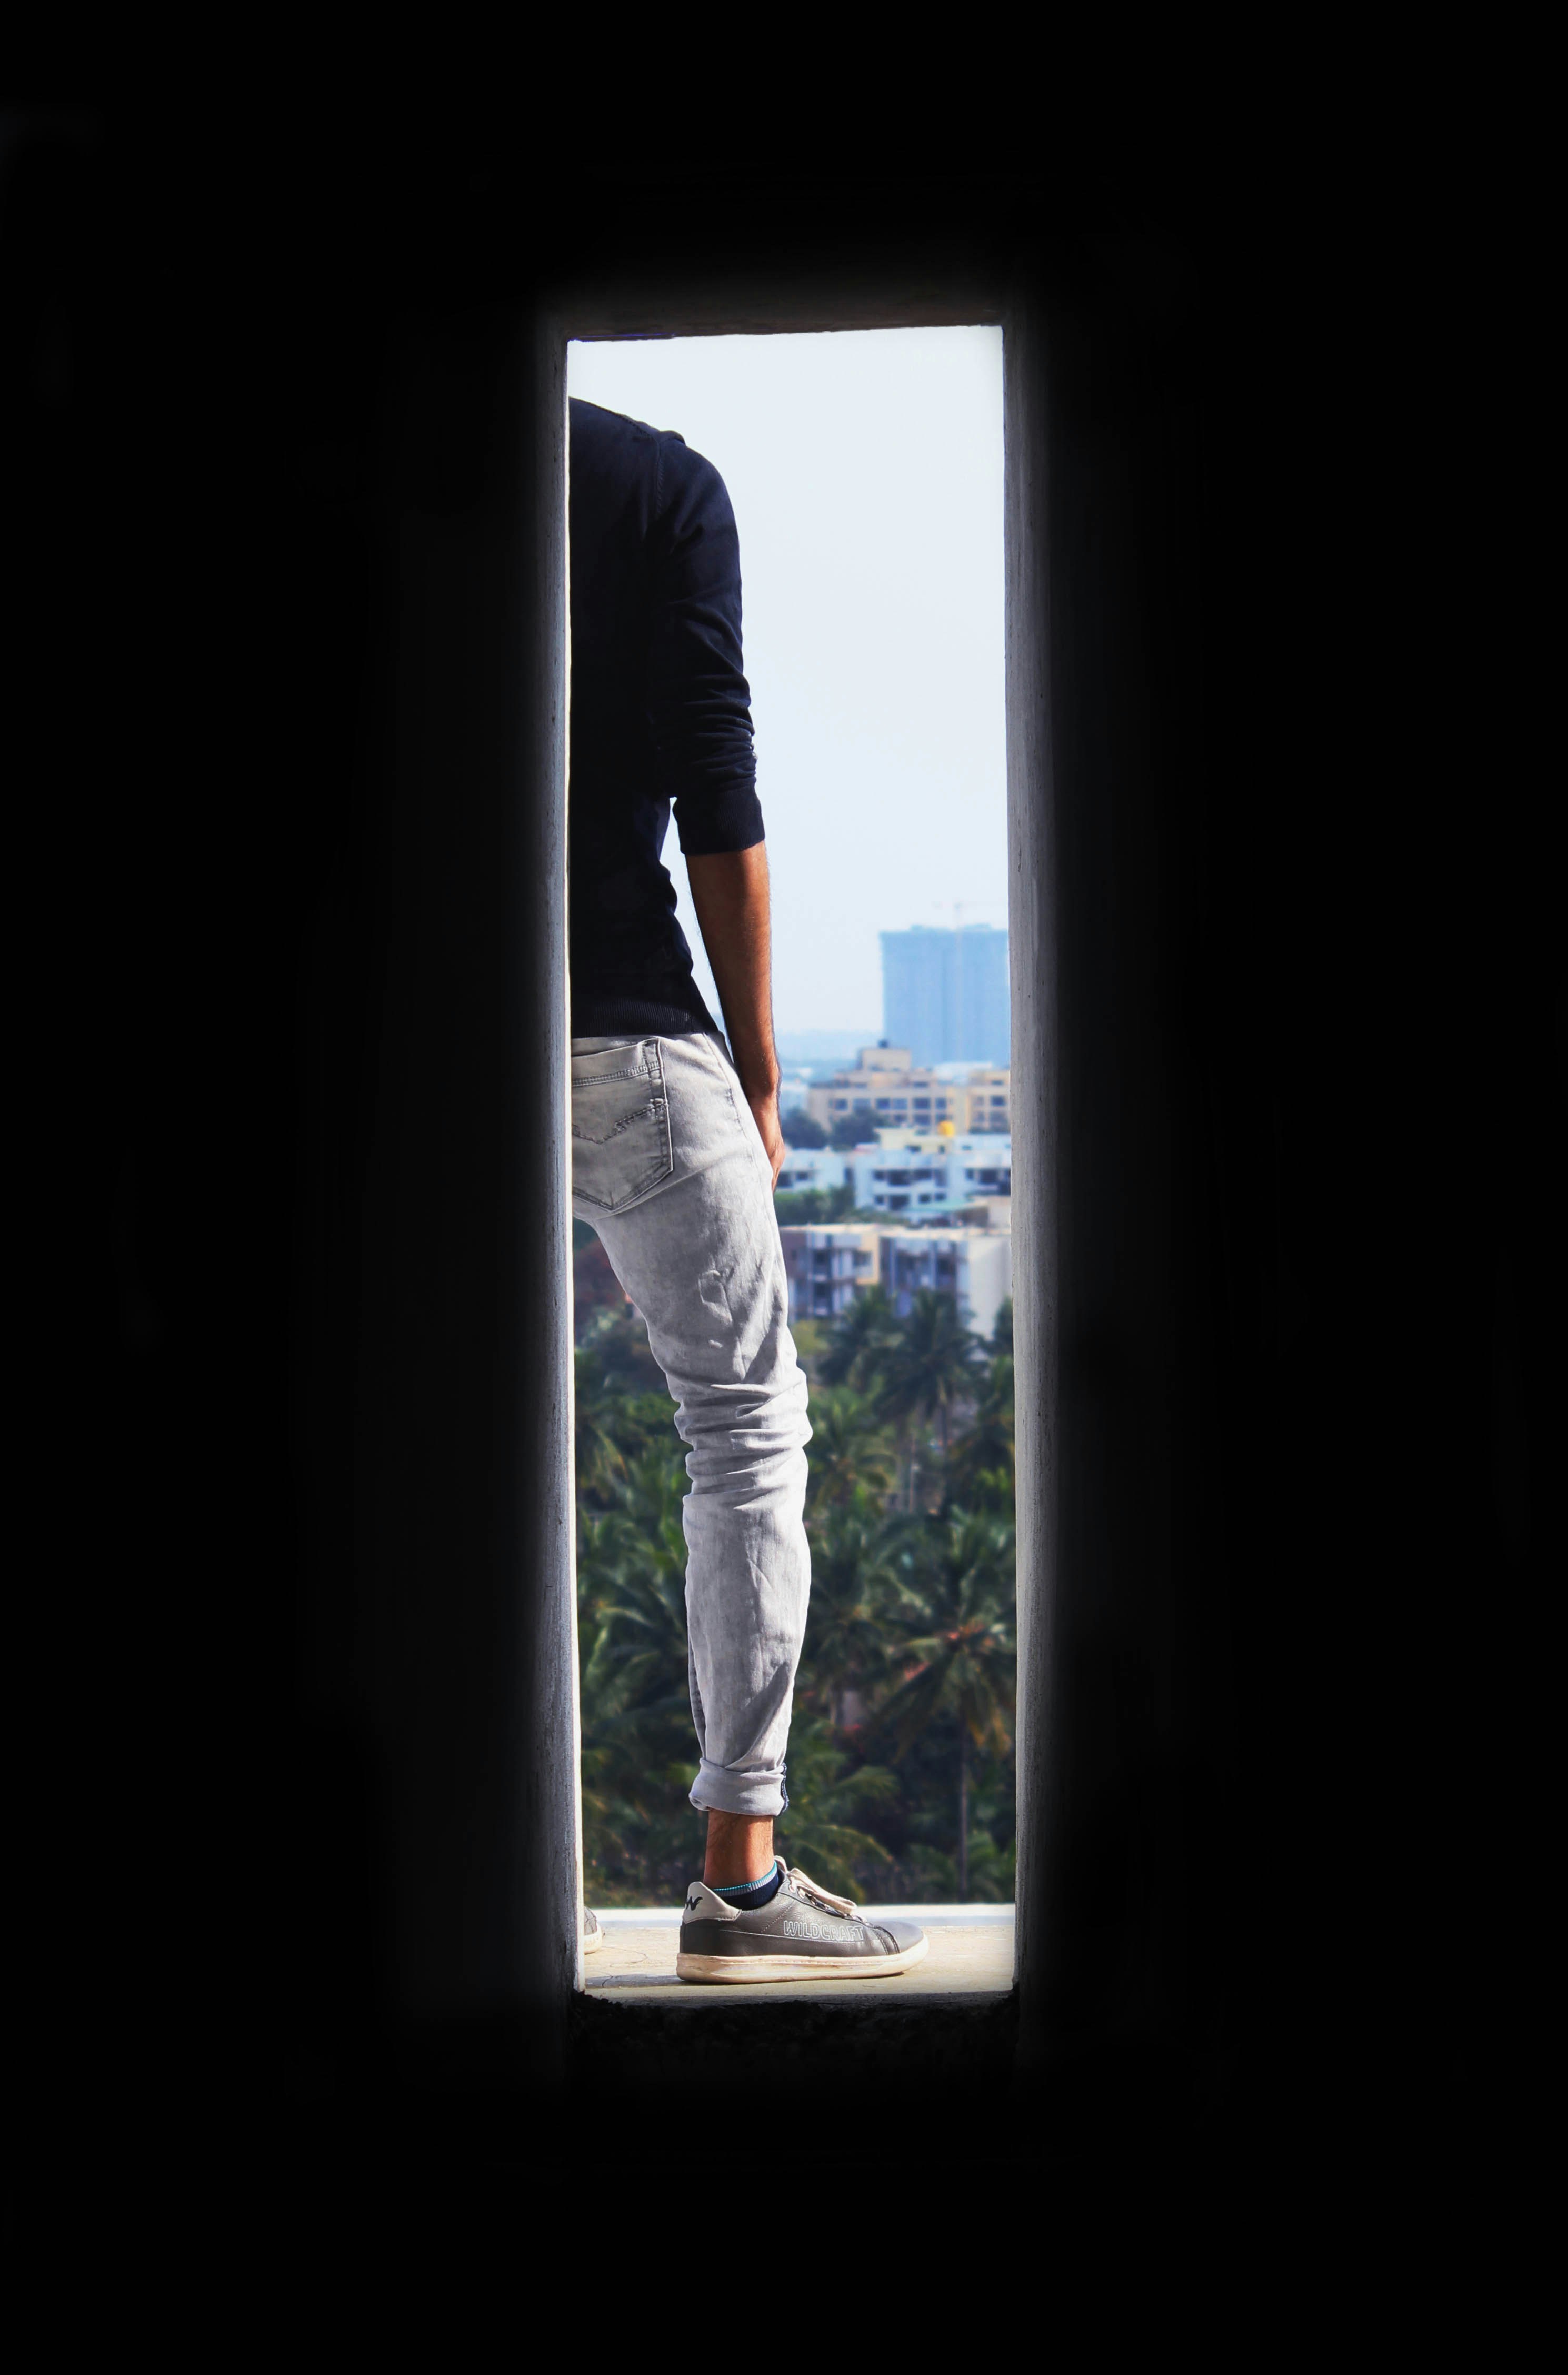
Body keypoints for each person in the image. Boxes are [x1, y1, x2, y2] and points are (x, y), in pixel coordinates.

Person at [568, 395, 926, 1982]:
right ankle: (737, 1874)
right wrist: (763, 1072)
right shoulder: (653, 483)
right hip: (617, 1024)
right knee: (742, 1426)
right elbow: (718, 791)